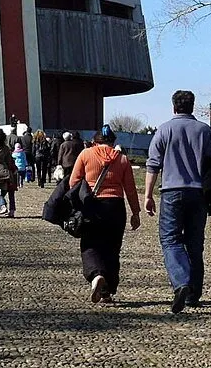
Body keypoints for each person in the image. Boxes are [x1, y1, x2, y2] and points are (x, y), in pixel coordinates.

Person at [145, 89, 211, 313]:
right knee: (195, 243)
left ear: (174, 107)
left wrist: (148, 195)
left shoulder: (164, 130)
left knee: (170, 239)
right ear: (192, 107)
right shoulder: (204, 131)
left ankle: (181, 281)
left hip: (171, 190)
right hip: (198, 192)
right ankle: (193, 294)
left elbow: (153, 165)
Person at [70, 125, 141, 303]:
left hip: (92, 205)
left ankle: (96, 275)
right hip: (116, 207)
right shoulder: (122, 159)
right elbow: (130, 189)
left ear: (95, 141)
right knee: (112, 248)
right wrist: (135, 212)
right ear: (113, 142)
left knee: (90, 244)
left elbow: (73, 182)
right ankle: (107, 290)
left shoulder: (86, 154)